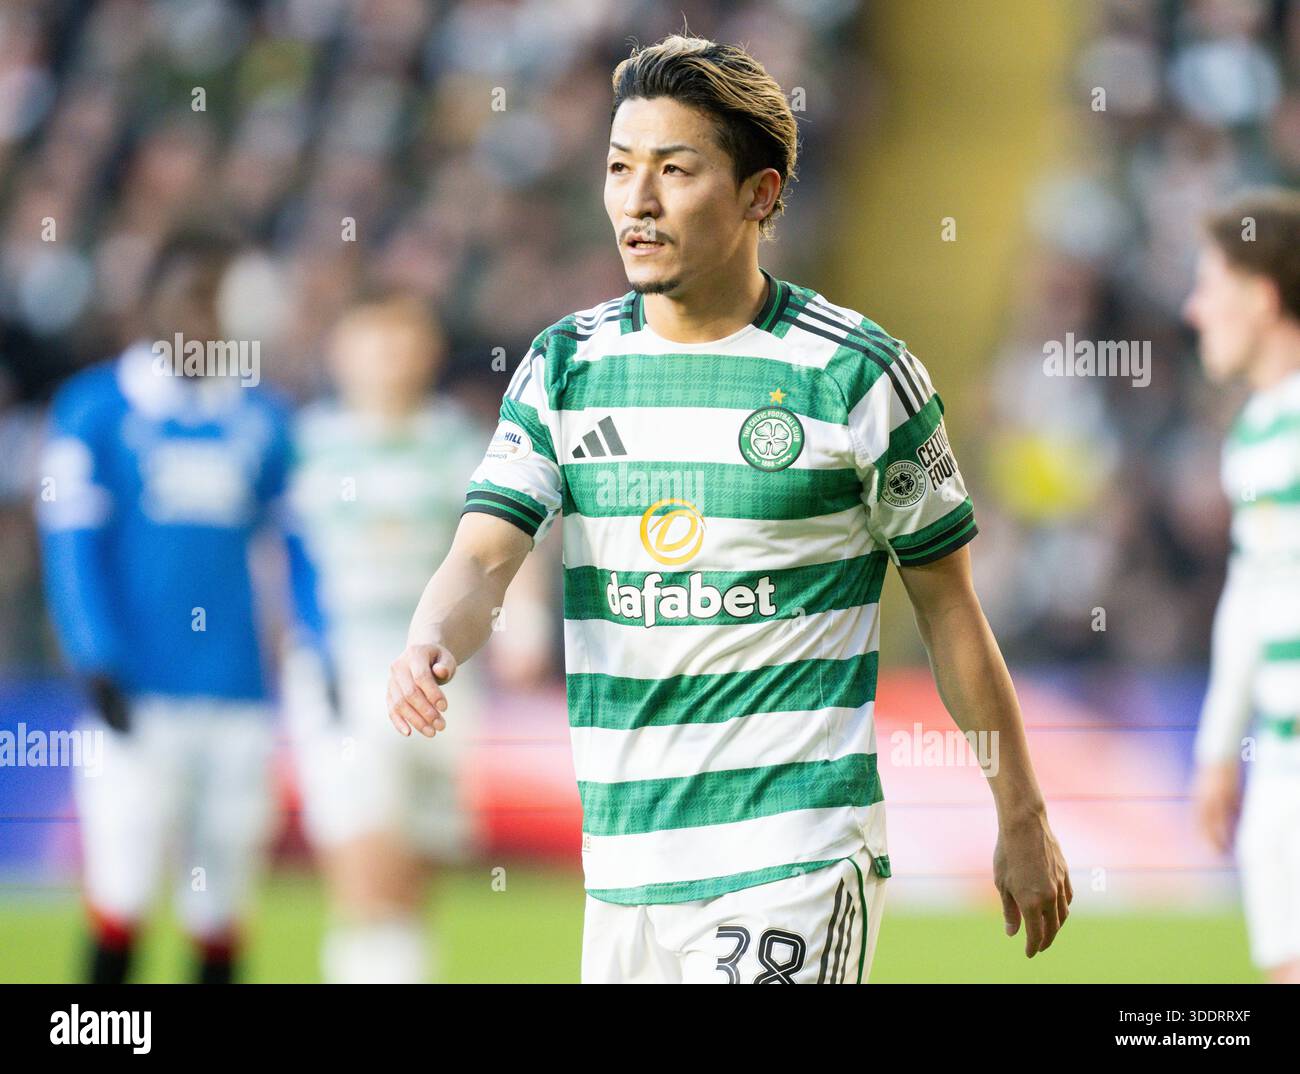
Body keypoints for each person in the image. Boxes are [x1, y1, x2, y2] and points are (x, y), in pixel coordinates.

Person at [387, 33, 1071, 984]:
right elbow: (484, 557)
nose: (639, 199)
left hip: (793, 852)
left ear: (761, 193)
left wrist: (1020, 813)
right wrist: (433, 636)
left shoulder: (858, 376)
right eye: (621, 168)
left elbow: (950, 606)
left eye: (675, 170)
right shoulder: (564, 368)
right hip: (625, 867)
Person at [36, 229, 308, 984]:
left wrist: (313, 643)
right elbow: (71, 549)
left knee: (220, 903)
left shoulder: (265, 419)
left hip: (235, 694)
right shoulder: (93, 409)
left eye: (220, 301)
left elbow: (300, 546)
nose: (206, 319)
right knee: (120, 888)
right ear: (152, 303)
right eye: (192, 296)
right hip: (135, 693)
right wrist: (94, 656)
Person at [284, 293, 553, 983]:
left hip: (446, 673)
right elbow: (265, 555)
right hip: (343, 667)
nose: (392, 356)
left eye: (407, 339)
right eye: (376, 339)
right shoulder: (304, 447)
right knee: (367, 868)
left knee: (414, 874)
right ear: (341, 348)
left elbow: (503, 542)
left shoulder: (457, 443)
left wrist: (523, 626)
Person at [1186, 189, 1300, 985]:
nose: (1195, 311)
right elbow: (1251, 596)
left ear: (1261, 299)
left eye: (1210, 287)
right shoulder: (1259, 433)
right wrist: (1220, 747)